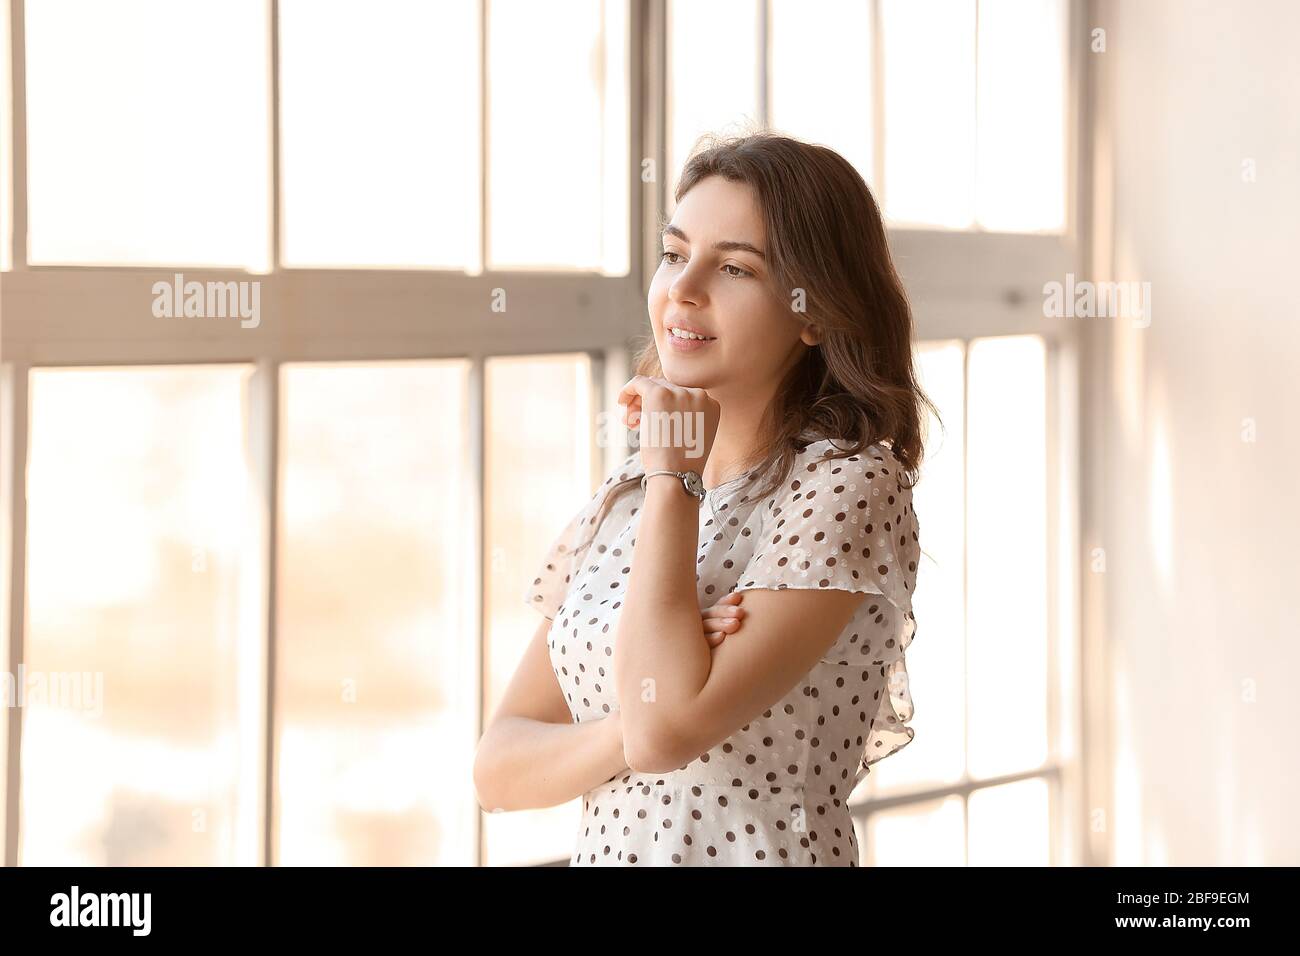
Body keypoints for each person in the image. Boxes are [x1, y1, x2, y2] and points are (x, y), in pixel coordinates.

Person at [474, 131, 936, 866]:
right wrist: (635, 714)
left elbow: (666, 736)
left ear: (814, 312)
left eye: (733, 267)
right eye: (673, 253)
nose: (683, 289)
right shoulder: (628, 494)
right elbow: (498, 768)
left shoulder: (847, 485)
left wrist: (675, 479)